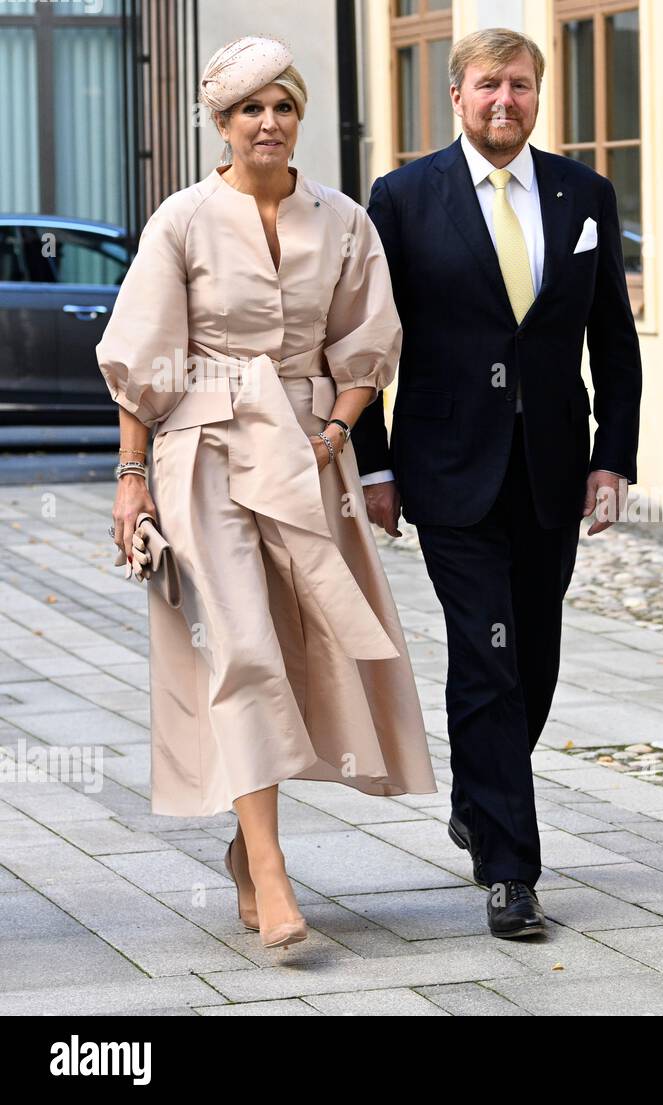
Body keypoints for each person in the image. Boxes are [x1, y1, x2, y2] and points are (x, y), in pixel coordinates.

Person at [98, 35, 436, 951]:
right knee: (242, 646)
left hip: (308, 453)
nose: (270, 122)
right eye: (251, 109)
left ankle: (249, 852)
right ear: (223, 123)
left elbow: (369, 344)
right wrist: (132, 481)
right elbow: (141, 364)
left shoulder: (345, 221)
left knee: (303, 652)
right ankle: (277, 874)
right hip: (203, 450)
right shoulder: (182, 220)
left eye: (283, 106)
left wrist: (333, 435)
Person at [352, 28, 641, 938]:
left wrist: (614, 455)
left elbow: (614, 343)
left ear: (538, 94)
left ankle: (481, 797)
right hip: (448, 471)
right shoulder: (401, 199)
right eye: (488, 86)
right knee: (487, 655)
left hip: (552, 467)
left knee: (536, 657)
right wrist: (376, 461)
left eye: (520, 85)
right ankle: (511, 870)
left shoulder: (584, 194)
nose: (504, 101)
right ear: (456, 95)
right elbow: (364, 342)